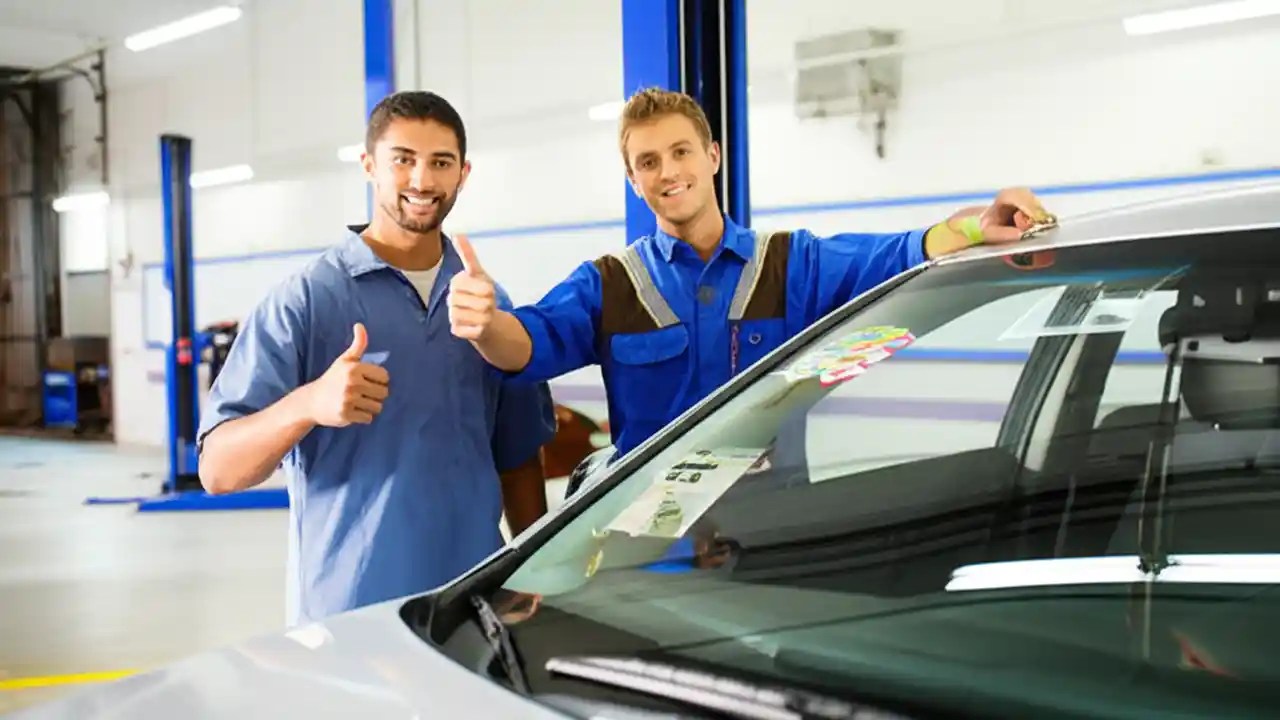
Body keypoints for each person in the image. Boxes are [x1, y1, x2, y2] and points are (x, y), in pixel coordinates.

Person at [445, 86, 1054, 462]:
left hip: (775, 536)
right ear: (634, 181)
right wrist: (485, 325)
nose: (668, 171)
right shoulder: (608, 284)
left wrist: (977, 227)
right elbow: (527, 345)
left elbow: (901, 252)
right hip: (651, 557)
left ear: (712, 156)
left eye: (681, 151)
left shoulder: (794, 265)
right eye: (648, 162)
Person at [196, 91, 557, 626]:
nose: (422, 181)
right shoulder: (308, 300)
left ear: (464, 173)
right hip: (348, 616)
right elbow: (218, 471)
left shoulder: (486, 304)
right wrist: (306, 405)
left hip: (470, 608)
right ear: (369, 166)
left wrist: (533, 571)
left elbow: (519, 458)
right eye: (403, 159)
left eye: (441, 162)